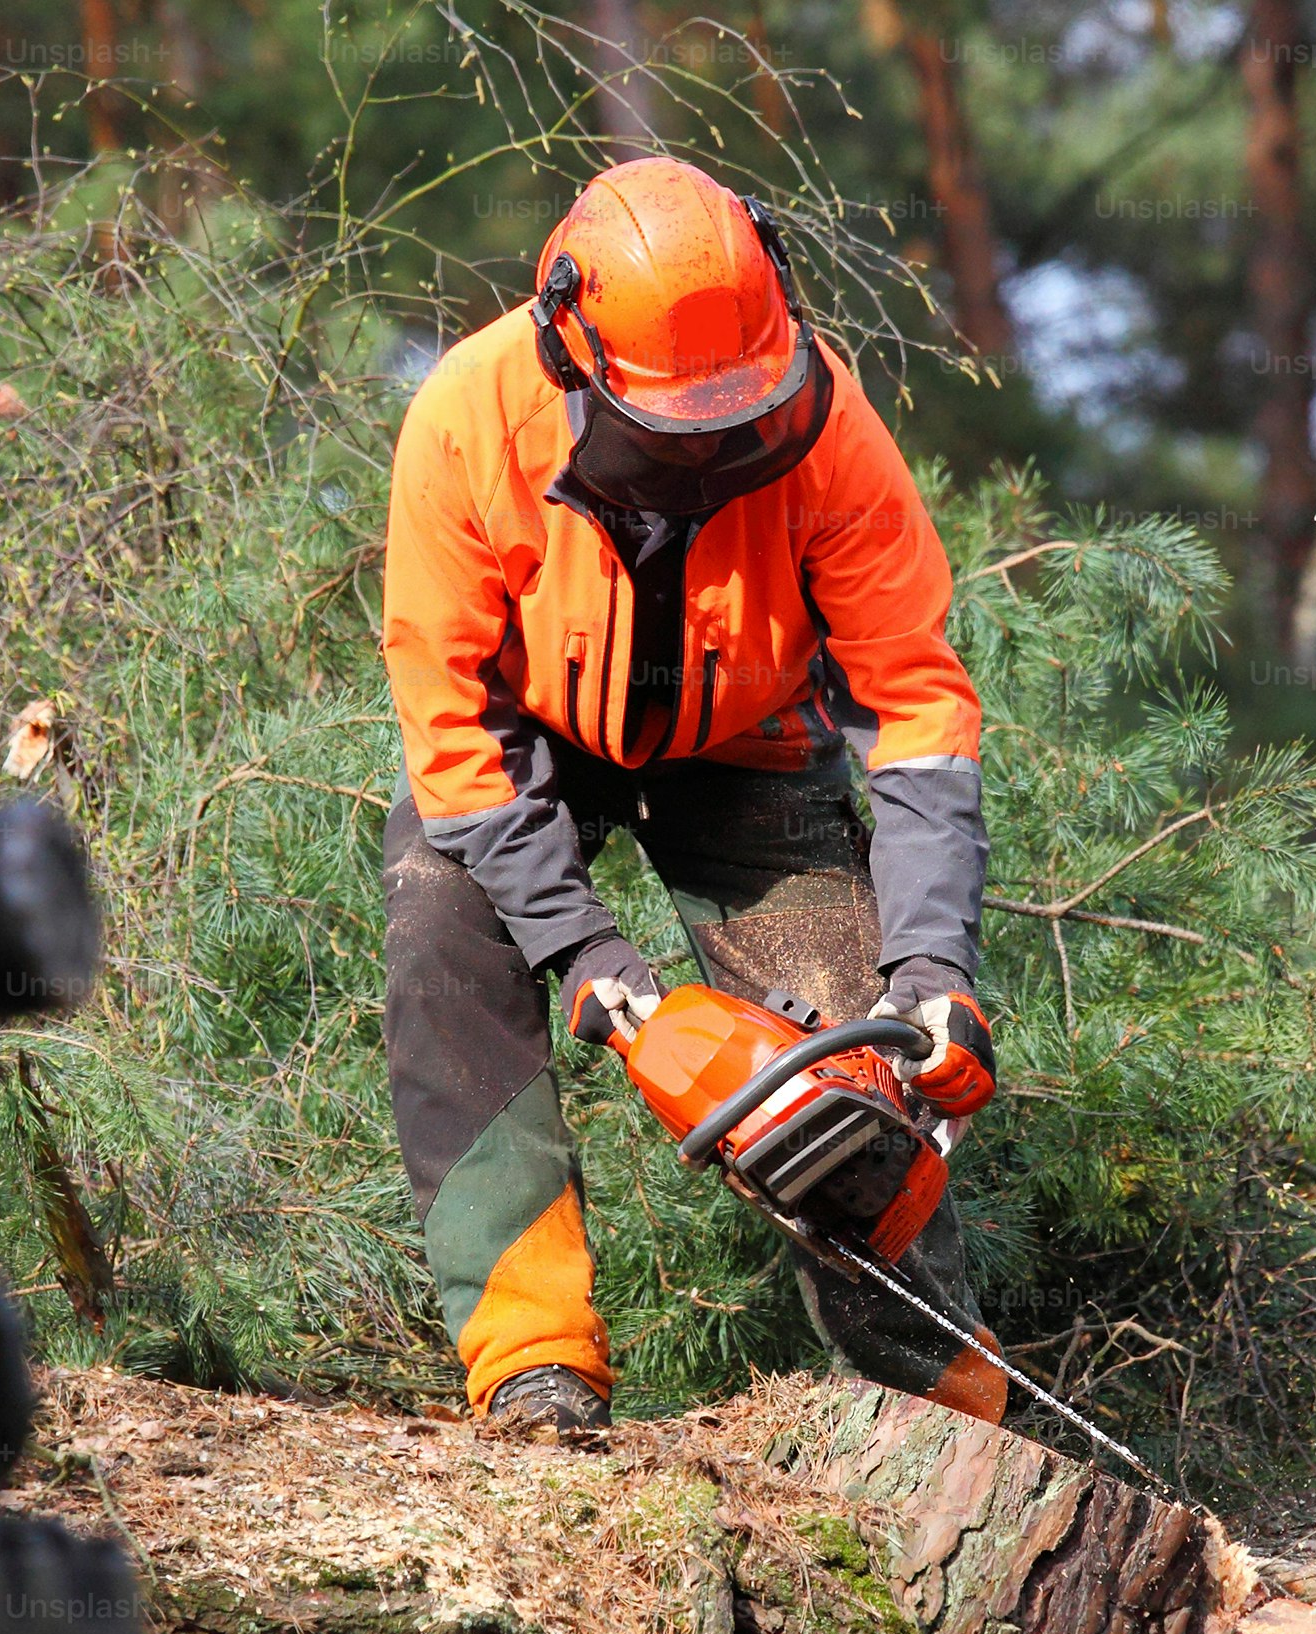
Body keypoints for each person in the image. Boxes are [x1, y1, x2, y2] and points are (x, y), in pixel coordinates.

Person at [379, 154, 1004, 1435]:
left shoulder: (827, 428)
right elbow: (450, 730)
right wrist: (589, 955)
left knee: (853, 1050)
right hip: (528, 740)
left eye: (737, 413)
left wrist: (932, 966)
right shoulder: (463, 420)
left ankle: (944, 1408)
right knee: (442, 921)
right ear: (574, 357)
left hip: (753, 742)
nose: (715, 443)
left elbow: (916, 708)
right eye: (682, 423)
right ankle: (533, 1360)